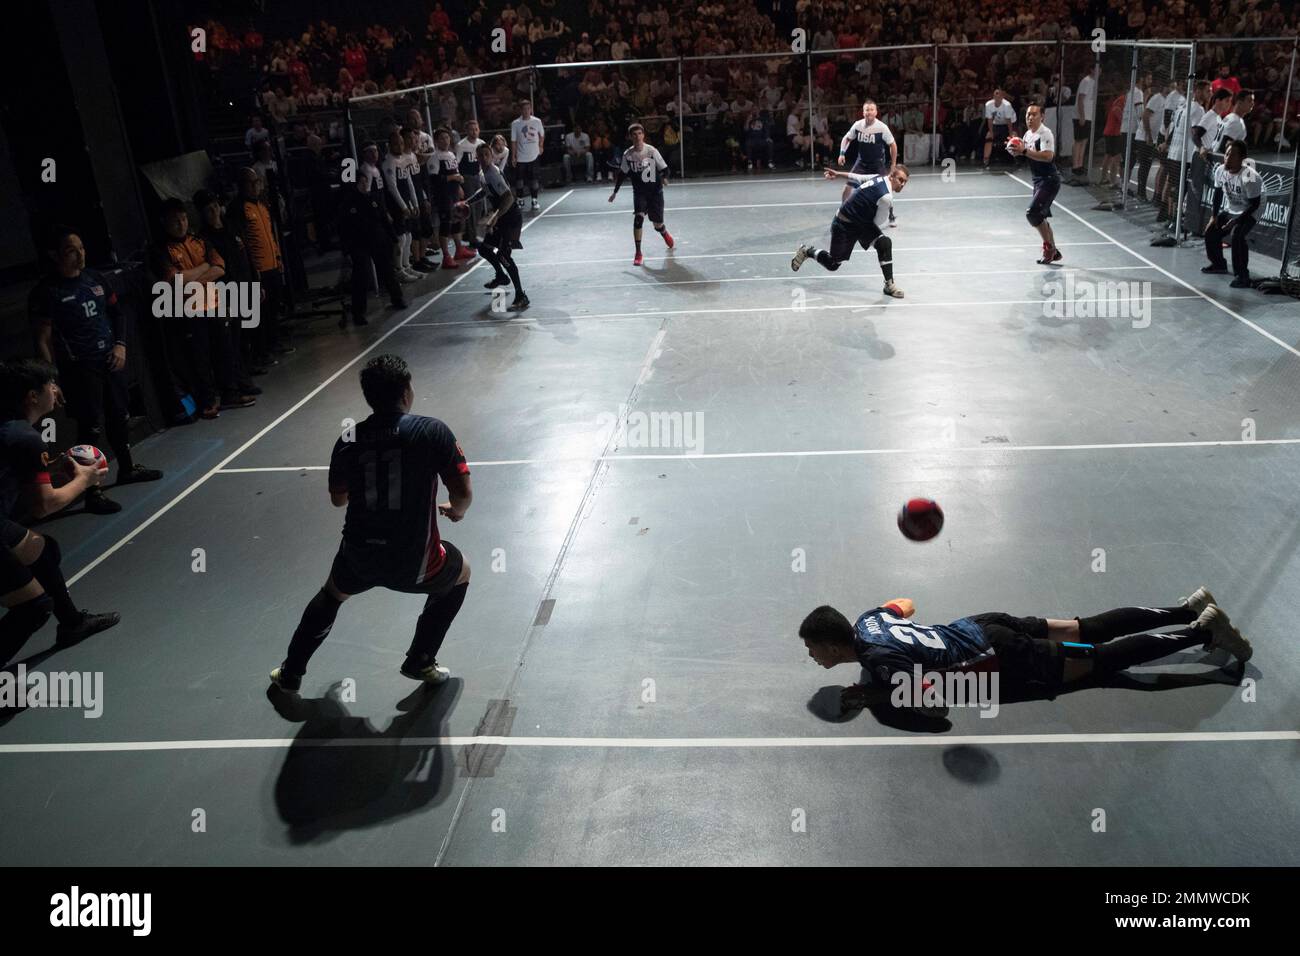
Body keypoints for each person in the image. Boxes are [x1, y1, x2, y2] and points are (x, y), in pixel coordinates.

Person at [270, 355, 472, 693]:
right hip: (414, 562)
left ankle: (290, 672)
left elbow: (338, 499)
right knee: (461, 571)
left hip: (359, 556)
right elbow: (462, 492)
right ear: (406, 392)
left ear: (369, 397)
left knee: (332, 593)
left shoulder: (349, 438)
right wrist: (457, 510)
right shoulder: (431, 431)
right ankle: (421, 659)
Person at [799, 587, 1250, 719]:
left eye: (814, 649)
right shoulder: (869, 619)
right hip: (980, 623)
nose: (813, 657)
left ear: (835, 646)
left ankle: (1200, 633)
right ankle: (1184, 607)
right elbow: (907, 603)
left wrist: (875, 698)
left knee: (1100, 659)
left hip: (1003, 656)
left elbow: (937, 709)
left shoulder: (880, 665)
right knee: (1083, 626)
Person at [28, 227, 162, 513]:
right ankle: (92, 490)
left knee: (119, 415)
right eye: (71, 251)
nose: (79, 255)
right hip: (79, 368)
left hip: (109, 359)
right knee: (90, 427)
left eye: (82, 248)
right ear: (55, 255)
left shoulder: (96, 278)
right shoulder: (46, 292)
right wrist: (52, 379)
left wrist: (121, 345)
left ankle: (127, 468)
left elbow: (117, 313)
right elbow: (43, 339)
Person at [0, 360, 120, 664]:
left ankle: (72, 624)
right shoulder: (26, 438)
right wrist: (85, 480)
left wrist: (50, 469)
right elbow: (44, 505)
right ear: (32, 396)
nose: (56, 389)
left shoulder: (11, 429)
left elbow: (20, 478)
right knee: (34, 608)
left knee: (44, 552)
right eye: (50, 385)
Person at [791, 164, 908, 299]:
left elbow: (858, 177)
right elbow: (878, 222)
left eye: (905, 181)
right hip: (844, 225)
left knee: (884, 243)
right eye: (900, 179)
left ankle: (889, 285)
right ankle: (807, 251)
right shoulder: (886, 197)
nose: (903, 184)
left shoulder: (879, 178)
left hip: (860, 222)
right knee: (833, 264)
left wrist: (838, 174)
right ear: (892, 176)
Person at [192, 189, 261, 408]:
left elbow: (246, 255)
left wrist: (255, 281)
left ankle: (244, 377)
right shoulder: (204, 238)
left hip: (244, 286)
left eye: (214, 205)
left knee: (244, 337)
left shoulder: (232, 227)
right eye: (208, 208)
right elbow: (214, 268)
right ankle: (236, 384)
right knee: (229, 342)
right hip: (224, 294)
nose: (213, 210)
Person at [335, 151, 407, 325]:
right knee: (361, 276)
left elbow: (384, 219)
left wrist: (394, 239)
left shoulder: (373, 199)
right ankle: (358, 312)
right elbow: (343, 228)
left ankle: (397, 298)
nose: (364, 184)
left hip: (378, 240)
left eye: (365, 181)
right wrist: (346, 249)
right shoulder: (348, 203)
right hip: (358, 244)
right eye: (361, 182)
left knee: (387, 270)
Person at [457, 142, 529, 312]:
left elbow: (508, 197)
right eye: (480, 155)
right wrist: (467, 202)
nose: (483, 158)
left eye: (486, 155)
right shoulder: (483, 173)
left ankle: (521, 295)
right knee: (484, 248)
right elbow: (484, 191)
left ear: (491, 156)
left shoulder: (494, 173)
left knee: (504, 255)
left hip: (510, 218)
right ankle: (501, 276)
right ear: (476, 157)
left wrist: (496, 216)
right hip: (500, 217)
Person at [608, 123, 674, 267]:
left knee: (657, 224)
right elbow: (622, 174)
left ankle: (663, 232)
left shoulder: (651, 151)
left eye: (639, 133)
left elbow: (665, 169)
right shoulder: (628, 155)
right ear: (630, 137)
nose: (637, 137)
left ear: (643, 135)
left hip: (655, 192)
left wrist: (664, 177)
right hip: (640, 192)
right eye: (634, 134)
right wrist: (615, 192)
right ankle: (638, 253)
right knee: (638, 219)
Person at [1202, 139, 1262, 289]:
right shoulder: (1220, 170)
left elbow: (1255, 204)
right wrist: (1214, 216)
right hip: (1233, 207)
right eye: (1227, 154)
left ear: (1242, 159)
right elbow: (1217, 194)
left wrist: (1236, 221)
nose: (1228, 157)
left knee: (1238, 235)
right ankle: (1218, 264)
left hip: (1252, 209)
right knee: (1211, 231)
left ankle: (1242, 276)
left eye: (1233, 155)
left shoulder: (1249, 176)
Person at [1011, 103, 1062, 265]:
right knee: (1041, 217)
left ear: (1042, 117)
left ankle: (1049, 249)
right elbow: (1025, 153)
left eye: (1034, 115)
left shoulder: (1045, 134)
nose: (1030, 118)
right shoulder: (1027, 135)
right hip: (1038, 180)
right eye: (1028, 115)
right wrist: (1015, 149)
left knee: (1032, 214)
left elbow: (1048, 156)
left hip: (1049, 180)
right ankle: (1054, 251)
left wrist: (1024, 151)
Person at [837, 99, 898, 225]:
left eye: (871, 109)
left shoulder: (882, 127)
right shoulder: (858, 125)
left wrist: (893, 165)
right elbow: (846, 138)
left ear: (876, 112)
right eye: (866, 110)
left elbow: (893, 145)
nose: (869, 112)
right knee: (847, 188)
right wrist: (842, 153)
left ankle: (891, 215)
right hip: (862, 163)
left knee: (887, 190)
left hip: (877, 164)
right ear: (863, 112)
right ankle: (843, 213)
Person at [381, 129, 421, 283]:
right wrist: (403, 206)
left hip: (406, 202)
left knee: (409, 236)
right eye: (396, 143)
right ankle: (398, 269)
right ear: (389, 145)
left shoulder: (403, 159)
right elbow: (392, 187)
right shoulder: (388, 162)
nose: (399, 146)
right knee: (401, 237)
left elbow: (409, 182)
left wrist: (414, 203)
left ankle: (406, 265)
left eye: (401, 143)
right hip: (395, 204)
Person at [510, 99, 546, 212]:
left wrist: (541, 146)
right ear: (520, 110)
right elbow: (514, 141)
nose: (526, 111)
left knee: (534, 180)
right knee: (519, 181)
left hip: (534, 155)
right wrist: (513, 156)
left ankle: (534, 200)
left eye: (528, 109)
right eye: (524, 109)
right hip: (521, 157)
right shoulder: (515, 124)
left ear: (531, 109)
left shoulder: (537, 121)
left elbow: (542, 135)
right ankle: (520, 199)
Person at [982, 88, 1017, 170]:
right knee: (988, 137)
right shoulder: (988, 105)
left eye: (999, 95)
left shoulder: (1007, 105)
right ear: (993, 97)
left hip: (1009, 123)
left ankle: (1016, 158)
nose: (997, 97)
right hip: (996, 124)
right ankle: (986, 160)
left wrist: (1010, 133)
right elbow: (989, 120)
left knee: (1014, 137)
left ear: (1002, 97)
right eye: (995, 95)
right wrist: (991, 132)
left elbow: (1009, 121)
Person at [1071, 67, 1096, 177]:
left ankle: (1080, 164)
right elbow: (1080, 99)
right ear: (1091, 69)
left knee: (1084, 141)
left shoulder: (1094, 82)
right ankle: (1075, 166)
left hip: (1089, 116)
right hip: (1081, 116)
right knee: (1078, 141)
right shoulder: (1086, 81)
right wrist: (1082, 116)